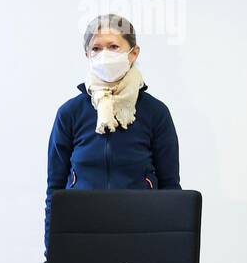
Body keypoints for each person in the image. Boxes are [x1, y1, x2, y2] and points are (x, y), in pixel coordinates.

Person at [45, 14, 181, 248]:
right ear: (87, 55)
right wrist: (52, 256)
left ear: (134, 53)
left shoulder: (155, 113)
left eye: (113, 46)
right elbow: (54, 191)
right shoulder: (69, 113)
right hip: (81, 236)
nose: (104, 55)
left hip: (141, 235)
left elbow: (171, 189)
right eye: (96, 48)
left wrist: (172, 253)